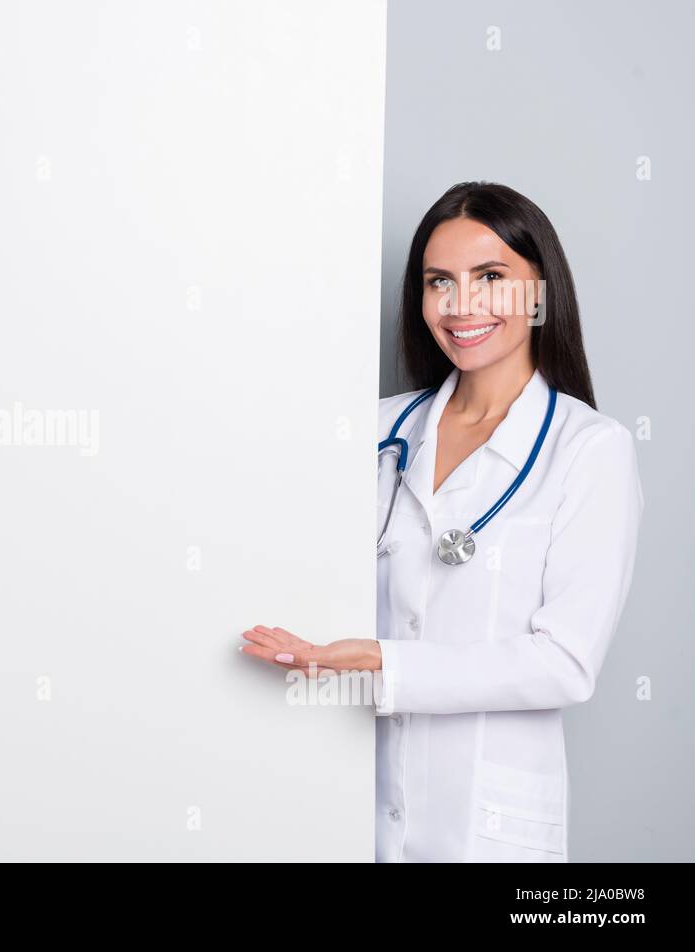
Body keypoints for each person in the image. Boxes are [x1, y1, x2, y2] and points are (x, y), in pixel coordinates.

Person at [239, 181, 643, 862]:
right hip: (344, 807)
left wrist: (384, 663)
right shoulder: (373, 429)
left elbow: (565, 663)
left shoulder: (590, 448)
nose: (460, 305)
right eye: (438, 282)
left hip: (490, 830)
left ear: (539, 293)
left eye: (491, 277)